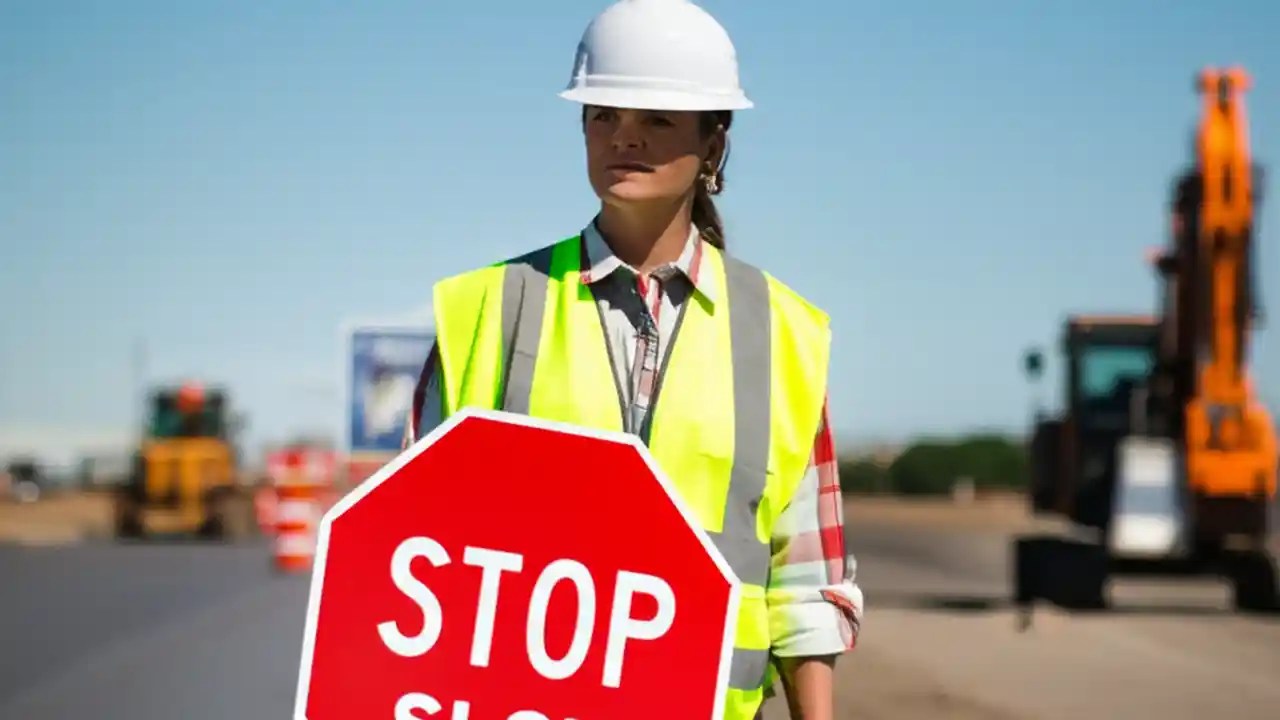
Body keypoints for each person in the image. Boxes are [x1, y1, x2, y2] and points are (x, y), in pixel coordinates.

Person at [402, 1, 863, 718]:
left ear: (714, 143)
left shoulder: (785, 335)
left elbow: (804, 589)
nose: (625, 138)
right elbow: (414, 548)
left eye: (656, 120)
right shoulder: (488, 311)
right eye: (604, 116)